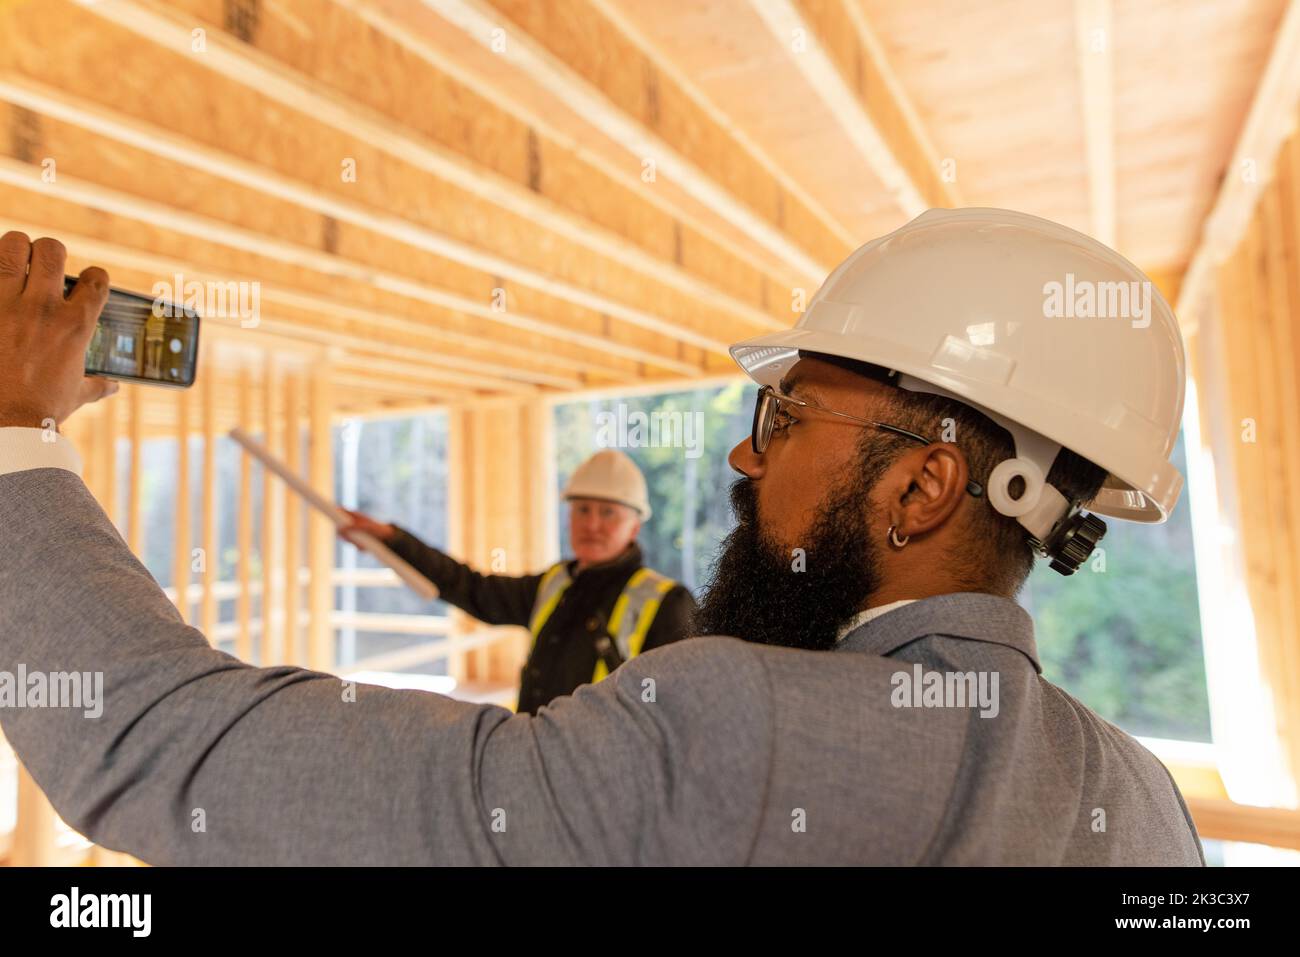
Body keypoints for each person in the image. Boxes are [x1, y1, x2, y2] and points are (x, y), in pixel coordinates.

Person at [0, 211, 1205, 864]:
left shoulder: (735, 716)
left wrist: (16, 427)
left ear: (924, 485)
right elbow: (481, 588)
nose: (746, 458)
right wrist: (394, 537)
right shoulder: (1144, 803)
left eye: (786, 417)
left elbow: (154, 744)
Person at [338, 449, 697, 713]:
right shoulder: (555, 584)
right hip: (535, 755)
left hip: (604, 775)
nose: (592, 524)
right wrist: (393, 540)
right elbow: (470, 587)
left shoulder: (666, 602)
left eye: (608, 513)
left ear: (634, 527)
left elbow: (679, 707)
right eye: (582, 510)